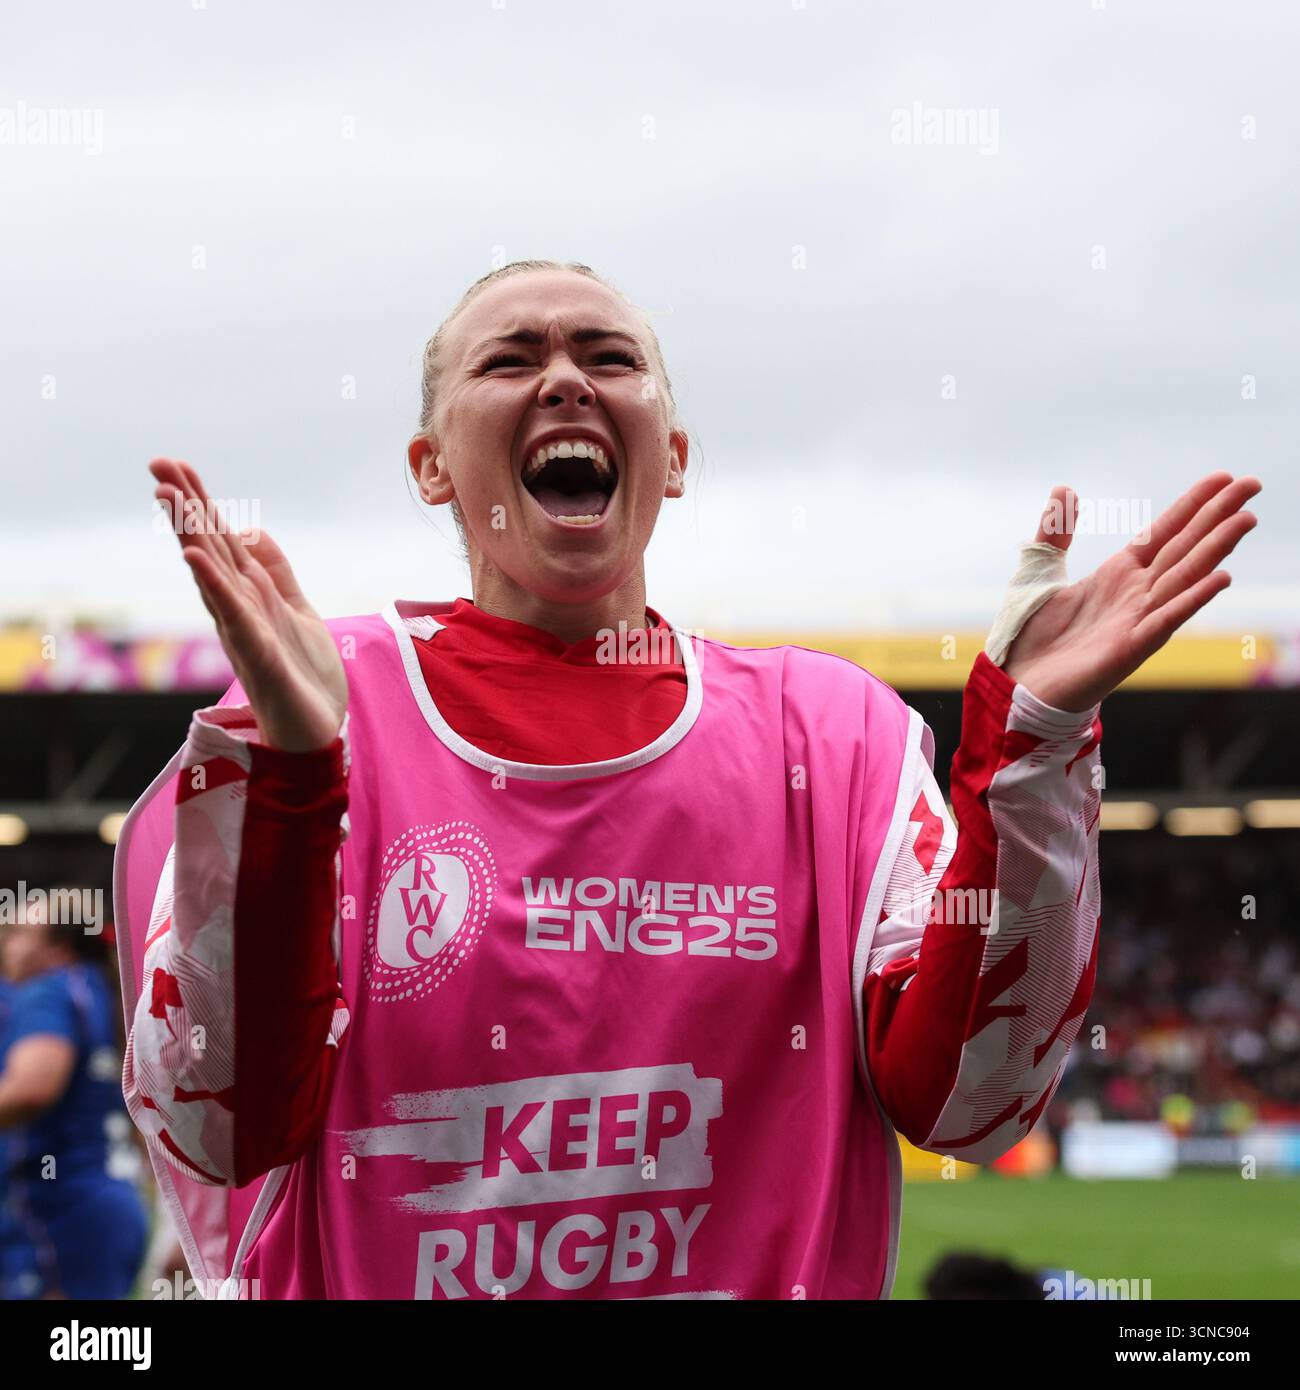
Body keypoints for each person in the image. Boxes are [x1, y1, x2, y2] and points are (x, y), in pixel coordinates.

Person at [114, 259, 1260, 1300]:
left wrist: (1035, 748)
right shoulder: (304, 716)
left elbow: (971, 1102)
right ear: (430, 467)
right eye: (511, 359)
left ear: (671, 457)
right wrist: (298, 784)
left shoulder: (834, 738)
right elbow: (221, 1127)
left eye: (607, 357)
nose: (564, 379)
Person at [0, 892, 148, 1299]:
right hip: (113, 1204)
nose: (7, 943)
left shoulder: (46, 992)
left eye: (18, 934)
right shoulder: (103, 992)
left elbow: (31, 1089)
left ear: (58, 948)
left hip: (63, 1211)